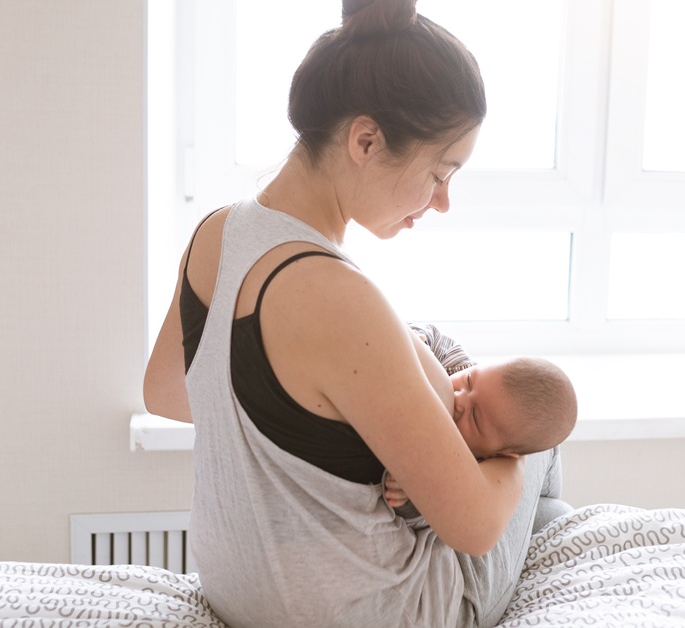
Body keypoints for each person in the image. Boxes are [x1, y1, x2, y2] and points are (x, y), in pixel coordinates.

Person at [142, 1, 570, 626]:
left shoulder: (216, 233)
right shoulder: (338, 295)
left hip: (239, 595)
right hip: (385, 611)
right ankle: (553, 551)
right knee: (538, 418)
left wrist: (319, 415)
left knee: (454, 368)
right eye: (439, 172)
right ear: (365, 140)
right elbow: (475, 529)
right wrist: (507, 451)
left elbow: (168, 392)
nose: (444, 202)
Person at [386, 324, 578, 518]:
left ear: (500, 454)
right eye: (468, 381)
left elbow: (436, 505)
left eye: (475, 416)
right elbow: (431, 335)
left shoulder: (468, 467)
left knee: (554, 511)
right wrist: (420, 343)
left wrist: (409, 494)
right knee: (553, 507)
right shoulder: (457, 365)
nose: (459, 398)